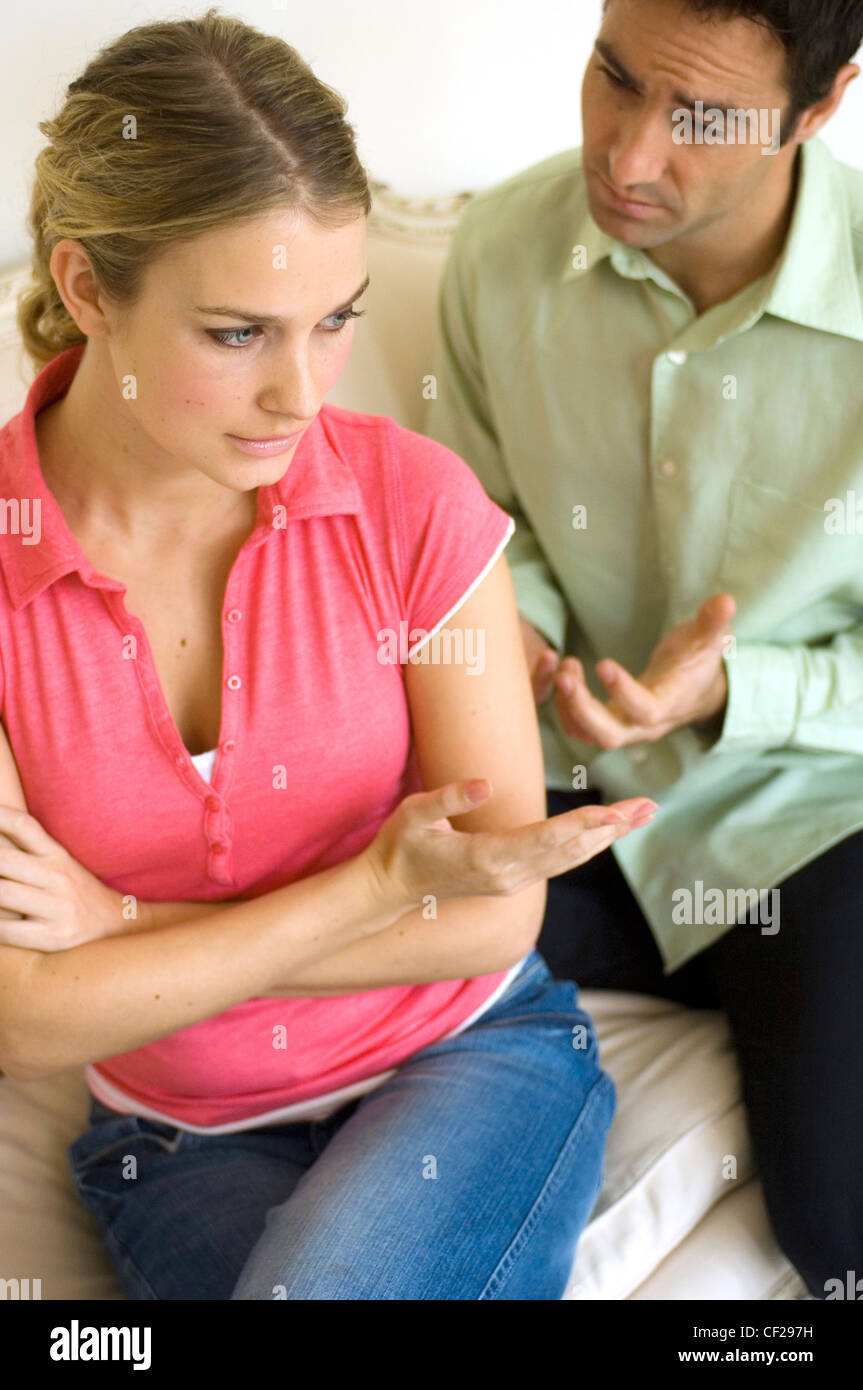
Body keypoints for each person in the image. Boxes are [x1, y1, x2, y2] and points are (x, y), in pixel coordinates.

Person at [0, 10, 659, 1301]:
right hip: (177, 1133)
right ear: (87, 288)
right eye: (239, 331)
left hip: (466, 1056)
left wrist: (125, 930)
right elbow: (27, 1016)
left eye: (335, 319)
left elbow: (490, 916)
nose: (303, 395)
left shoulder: (413, 500)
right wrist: (373, 889)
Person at [425, 0, 863, 1299]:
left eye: (703, 121)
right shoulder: (500, 251)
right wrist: (527, 647)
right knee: (323, 973)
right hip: (577, 801)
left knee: (838, 1232)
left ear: (819, 107)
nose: (626, 155)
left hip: (817, 814)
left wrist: (740, 685)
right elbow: (488, 539)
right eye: (613, 77)